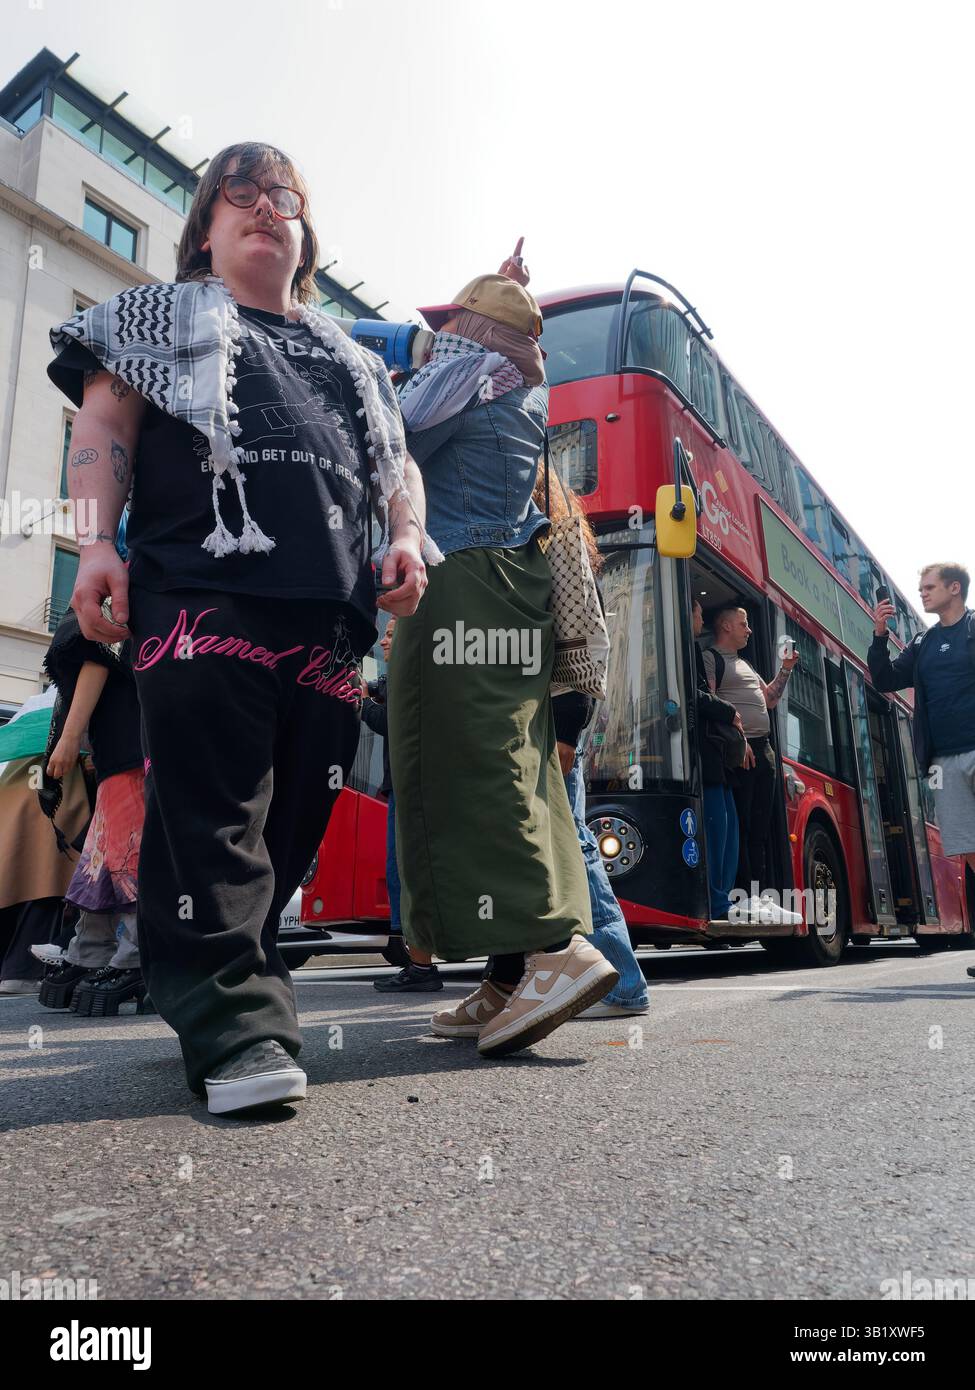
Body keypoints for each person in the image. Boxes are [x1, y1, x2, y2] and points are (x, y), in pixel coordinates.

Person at [48, 142, 430, 1115]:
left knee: (289, 824)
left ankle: (234, 987)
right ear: (206, 227)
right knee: (212, 810)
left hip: (331, 617)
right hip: (201, 595)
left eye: (283, 195)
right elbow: (103, 425)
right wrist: (95, 547)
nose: (265, 206)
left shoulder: (349, 355)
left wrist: (411, 539)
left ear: (303, 234)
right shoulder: (155, 315)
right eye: (241, 192)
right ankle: (236, 1022)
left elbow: (398, 471)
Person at [388, 250, 617, 1057]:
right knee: (515, 763)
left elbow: (391, 430)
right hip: (509, 583)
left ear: (467, 330)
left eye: (453, 323)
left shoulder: (460, 372)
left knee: (470, 766)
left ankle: (554, 952)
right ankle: (509, 974)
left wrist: (410, 350)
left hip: (455, 579)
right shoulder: (516, 381)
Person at [38, 604, 147, 1015]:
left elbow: (97, 660)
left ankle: (131, 956)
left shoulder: (113, 592)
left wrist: (68, 739)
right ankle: (94, 948)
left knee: (118, 855)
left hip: (128, 746)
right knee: (103, 855)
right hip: (121, 747)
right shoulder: (120, 587)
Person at [867, 563, 975, 975]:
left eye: (929, 587)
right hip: (943, 761)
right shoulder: (924, 642)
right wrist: (879, 636)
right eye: (921, 588)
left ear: (955, 588)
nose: (922, 593)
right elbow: (883, 679)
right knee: (968, 849)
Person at [701, 605, 802, 925]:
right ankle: (741, 896)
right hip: (742, 751)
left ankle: (757, 896)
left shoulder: (744, 663)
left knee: (760, 828)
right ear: (727, 626)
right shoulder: (710, 658)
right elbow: (713, 704)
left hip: (765, 749)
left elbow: (770, 698)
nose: (749, 630)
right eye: (743, 624)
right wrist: (740, 741)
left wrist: (785, 669)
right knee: (740, 827)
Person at [360, 618, 443, 992]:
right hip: (411, 787)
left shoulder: (414, 672)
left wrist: (360, 703)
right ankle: (419, 963)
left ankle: (421, 968)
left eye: (393, 633)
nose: (384, 640)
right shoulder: (417, 669)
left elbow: (392, 721)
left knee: (405, 873)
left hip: (412, 790)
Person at [692, 599, 746, 923]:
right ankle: (716, 900)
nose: (701, 620)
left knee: (729, 828)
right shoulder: (693, 651)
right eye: (699, 613)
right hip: (706, 753)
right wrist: (728, 711)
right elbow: (694, 695)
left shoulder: (692, 648)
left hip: (717, 757)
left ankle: (722, 897)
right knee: (716, 828)